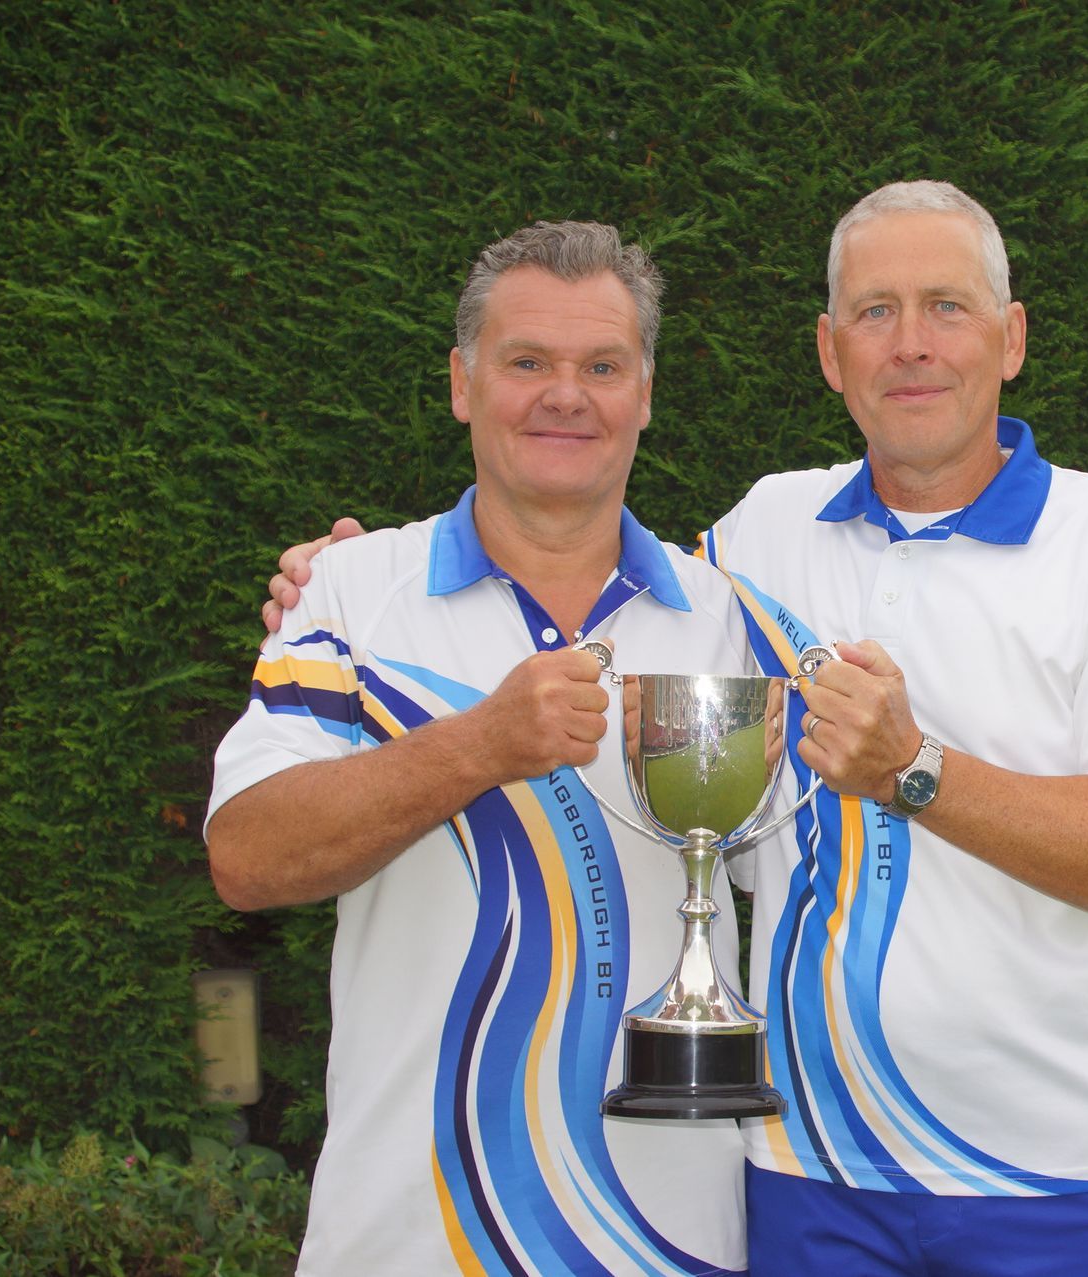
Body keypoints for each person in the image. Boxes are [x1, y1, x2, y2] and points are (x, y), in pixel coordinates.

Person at [264, 182, 1088, 1275]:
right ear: (829, 352)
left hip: (1053, 1173)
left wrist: (916, 769)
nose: (911, 345)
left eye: (947, 307)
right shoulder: (759, 538)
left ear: (1012, 338)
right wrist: (338, 582)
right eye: (874, 313)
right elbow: (588, 588)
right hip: (801, 1170)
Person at [209, 221, 753, 1276]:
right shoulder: (351, 594)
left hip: (673, 1232)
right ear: (463, 384)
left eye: (603, 365)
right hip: (407, 1234)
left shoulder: (732, 618)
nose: (566, 395)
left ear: (646, 390)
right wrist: (479, 744)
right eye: (527, 363)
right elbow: (246, 858)